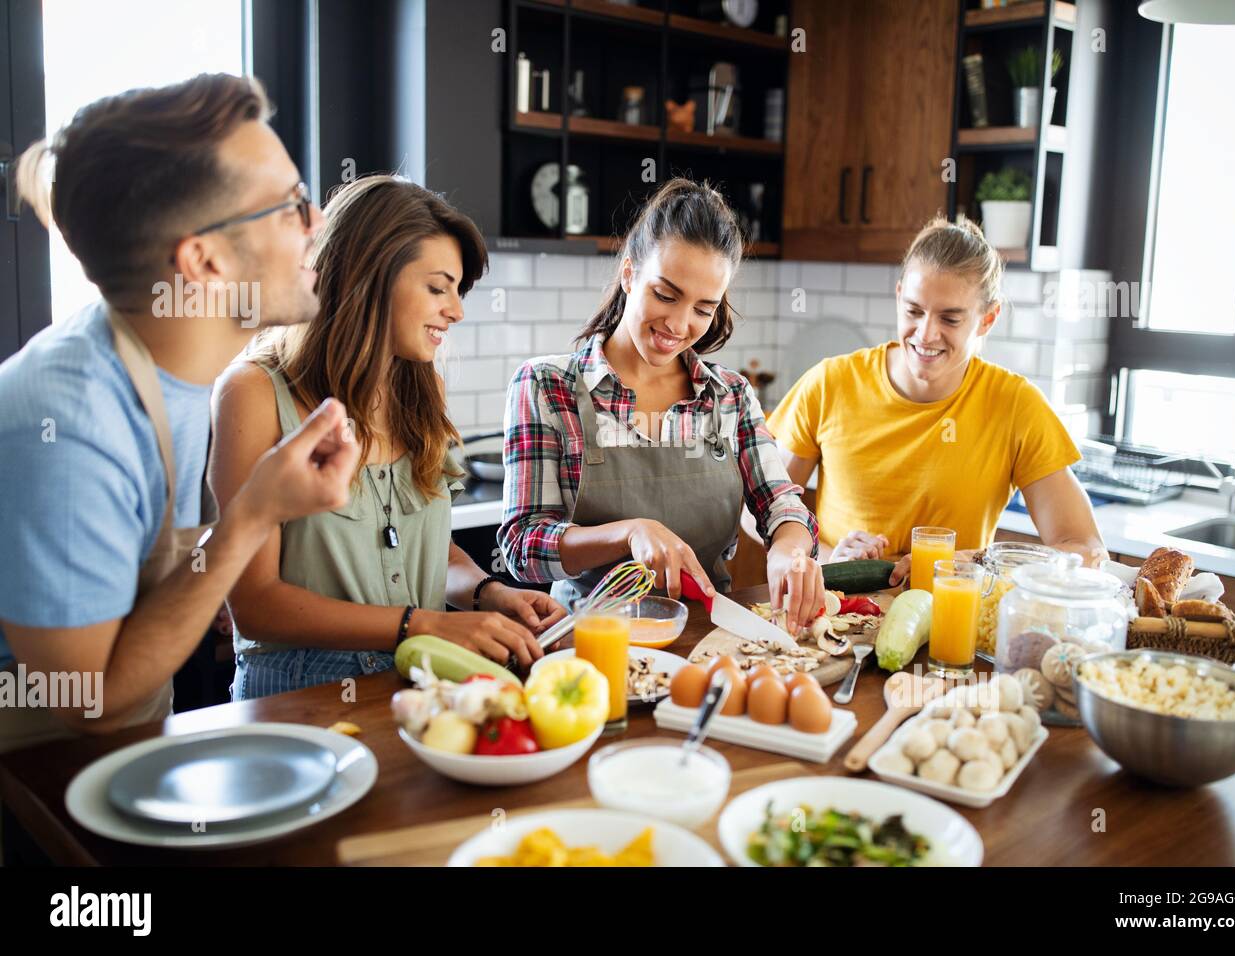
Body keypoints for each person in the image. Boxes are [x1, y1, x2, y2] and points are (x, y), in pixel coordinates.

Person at [0, 74, 359, 750]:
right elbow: (89, 702)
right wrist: (254, 513)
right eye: (291, 206)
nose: (317, 224)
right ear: (203, 260)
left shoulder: (179, 376)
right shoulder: (69, 422)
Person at [212, 175, 565, 698]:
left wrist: (489, 593)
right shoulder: (254, 392)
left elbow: (433, 554)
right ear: (370, 274)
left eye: (457, 290)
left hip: (418, 683)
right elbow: (255, 603)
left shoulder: (425, 392)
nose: (457, 310)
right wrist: (421, 624)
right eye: (437, 286)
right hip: (296, 697)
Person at [498, 178, 825, 630]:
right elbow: (522, 547)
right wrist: (629, 533)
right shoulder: (546, 386)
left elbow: (781, 503)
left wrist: (789, 551)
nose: (678, 323)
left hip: (710, 644)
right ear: (630, 274)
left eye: (703, 309)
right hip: (590, 648)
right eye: (665, 295)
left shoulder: (729, 396)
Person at [764, 215, 1104, 585]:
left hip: (953, 627)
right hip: (834, 622)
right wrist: (824, 557)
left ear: (988, 319)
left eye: (950, 319)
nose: (926, 334)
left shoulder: (1015, 406)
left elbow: (1085, 550)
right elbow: (760, 514)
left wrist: (976, 561)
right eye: (914, 311)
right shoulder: (830, 384)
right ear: (898, 297)